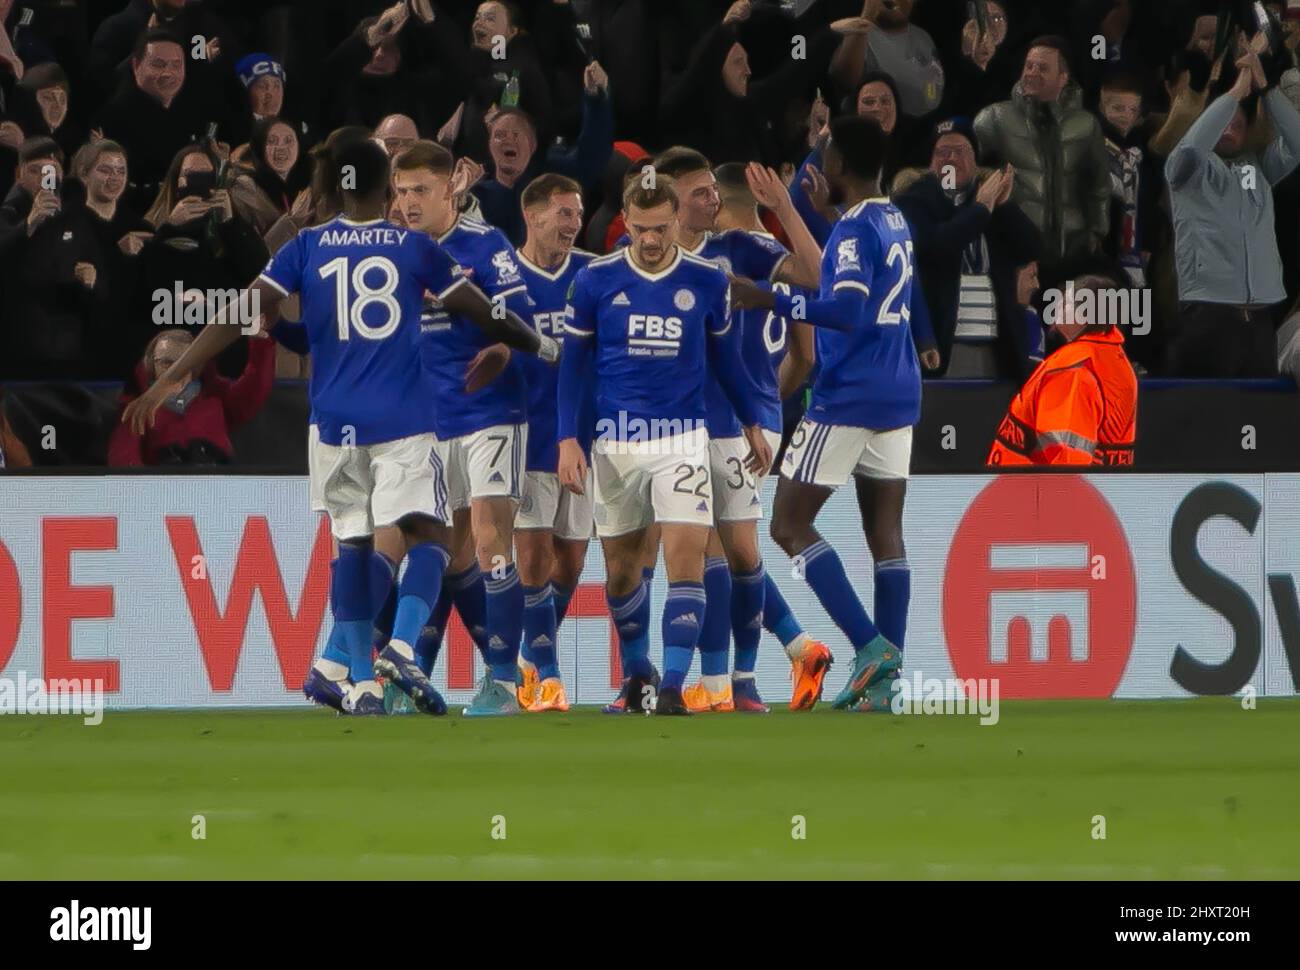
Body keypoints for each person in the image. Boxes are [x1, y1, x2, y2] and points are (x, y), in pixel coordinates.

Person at [124, 138, 557, 717]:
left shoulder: (305, 246)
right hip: (402, 421)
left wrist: (173, 374)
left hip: (330, 428)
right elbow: (486, 311)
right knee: (429, 535)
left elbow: (242, 312)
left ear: (335, 189)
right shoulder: (413, 249)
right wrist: (537, 344)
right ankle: (401, 652)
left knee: (355, 547)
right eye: (399, 189)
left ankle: (347, 676)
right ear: (385, 191)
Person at [556, 179, 773, 716]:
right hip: (615, 443)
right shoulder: (595, 280)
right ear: (624, 223)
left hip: (683, 439)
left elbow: (726, 360)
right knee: (623, 572)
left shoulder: (706, 280)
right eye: (639, 228)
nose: (649, 239)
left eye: (659, 228)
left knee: (686, 559)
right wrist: (568, 438)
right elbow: (574, 368)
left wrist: (751, 421)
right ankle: (638, 676)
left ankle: (674, 684)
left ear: (676, 220)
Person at [730, 115, 920, 713]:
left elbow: (846, 311)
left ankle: (870, 647)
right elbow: (846, 269)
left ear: (839, 166)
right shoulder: (890, 219)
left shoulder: (857, 230)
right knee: (884, 533)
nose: (819, 161)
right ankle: (886, 683)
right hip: (898, 391)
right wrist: (803, 213)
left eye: (825, 154)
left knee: (787, 525)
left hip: (848, 394)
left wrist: (768, 295)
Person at [643, 148, 829, 715]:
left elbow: (818, 279)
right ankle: (775, 659)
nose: (713, 201)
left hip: (732, 421)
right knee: (713, 549)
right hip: (677, 421)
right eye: (699, 192)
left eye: (712, 191)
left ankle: (732, 682)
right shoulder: (652, 257)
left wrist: (787, 208)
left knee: (732, 550)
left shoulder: (740, 249)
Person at [389, 140, 539, 717]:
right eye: (401, 191)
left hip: (489, 411)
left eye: (420, 190)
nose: (408, 203)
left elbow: (519, 319)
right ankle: (420, 673)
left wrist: (502, 347)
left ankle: (500, 680)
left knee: (488, 537)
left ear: (450, 187)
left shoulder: (484, 245)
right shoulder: (395, 252)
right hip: (427, 420)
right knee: (443, 554)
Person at [510, 173, 596, 713]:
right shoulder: (505, 278)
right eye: (564, 213)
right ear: (533, 214)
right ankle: (549, 675)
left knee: (571, 564)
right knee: (535, 560)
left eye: (578, 213)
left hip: (584, 439)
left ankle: (528, 655)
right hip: (526, 436)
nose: (574, 223)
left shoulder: (591, 274)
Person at [1164, 41, 1300, 377]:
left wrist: (1266, 90)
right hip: (1209, 313)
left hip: (1259, 317)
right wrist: (1235, 94)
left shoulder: (1258, 170)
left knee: (1258, 416)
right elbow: (1194, 146)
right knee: (1206, 415)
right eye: (1222, 122)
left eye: (1238, 124)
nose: (1229, 128)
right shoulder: (1186, 169)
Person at [892, 117, 1045, 378]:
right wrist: (980, 210)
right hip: (947, 344)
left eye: (960, 151)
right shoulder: (912, 202)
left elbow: (1032, 248)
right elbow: (937, 247)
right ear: (931, 163)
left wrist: (1005, 206)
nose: (951, 159)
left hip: (999, 345)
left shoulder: (991, 199)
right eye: (943, 152)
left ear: (975, 161)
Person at [974, 36, 1112, 265]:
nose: (1032, 73)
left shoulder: (1086, 126)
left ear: (1063, 78)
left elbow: (1098, 186)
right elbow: (972, 176)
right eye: (1029, 66)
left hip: (1072, 249)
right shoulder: (994, 119)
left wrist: (1097, 233)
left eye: (1043, 68)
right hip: (1014, 250)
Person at [987, 265, 1138, 466]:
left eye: (1064, 302)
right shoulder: (1116, 360)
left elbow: (1066, 459)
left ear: (1083, 315)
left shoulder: (1072, 369)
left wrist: (1064, 495)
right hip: (1097, 491)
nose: (1055, 307)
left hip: (1031, 491)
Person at [108, 327, 275, 466]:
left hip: (217, 478)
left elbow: (254, 391)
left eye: (183, 362)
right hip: (166, 483)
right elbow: (124, 456)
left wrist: (259, 341)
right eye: (166, 362)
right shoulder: (138, 406)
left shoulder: (214, 395)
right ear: (152, 365)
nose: (174, 370)